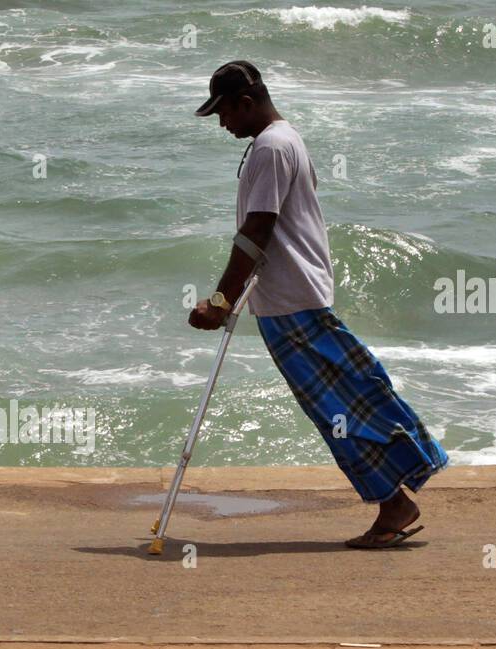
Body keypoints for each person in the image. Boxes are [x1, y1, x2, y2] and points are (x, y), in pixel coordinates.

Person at [189, 61, 448, 548]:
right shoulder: (280, 141)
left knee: (341, 403)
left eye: (224, 113)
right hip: (290, 298)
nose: (223, 124)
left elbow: (257, 231)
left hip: (293, 300)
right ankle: (397, 495)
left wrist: (221, 300)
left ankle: (400, 493)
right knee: (341, 401)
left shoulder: (270, 147)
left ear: (246, 103)